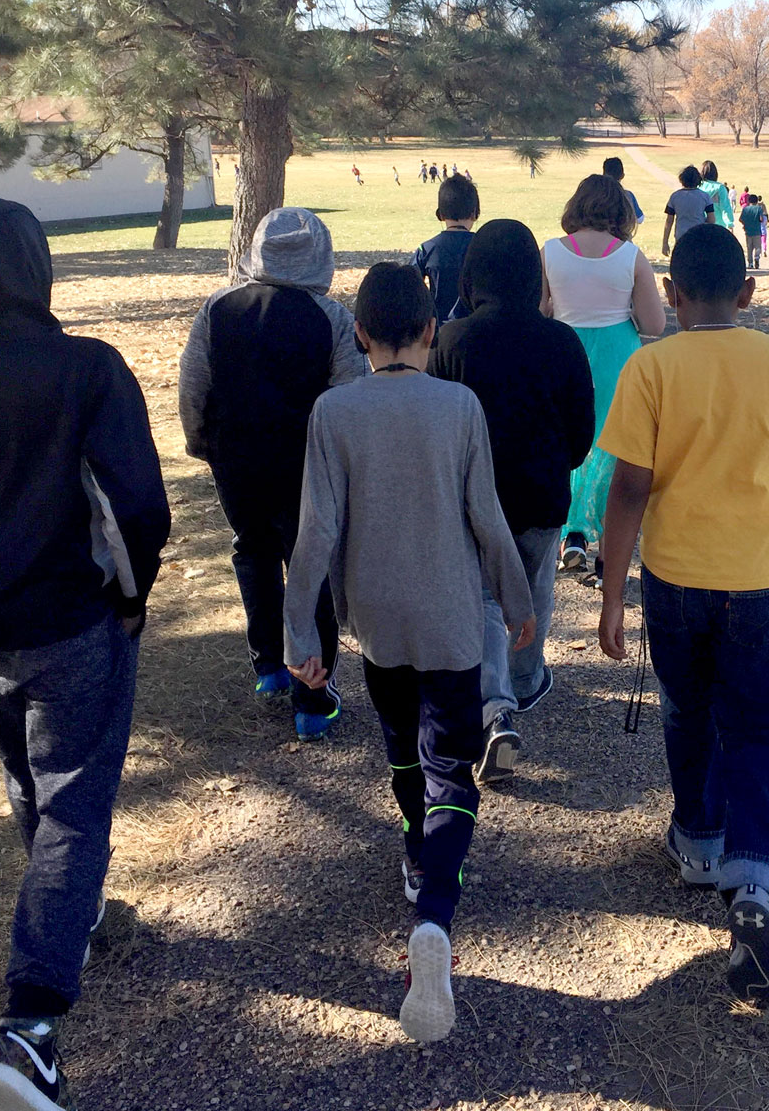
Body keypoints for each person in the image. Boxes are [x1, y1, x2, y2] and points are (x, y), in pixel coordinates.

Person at [283, 263, 534, 1044]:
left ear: (359, 336)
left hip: (378, 621)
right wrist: (519, 603)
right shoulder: (458, 406)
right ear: (430, 330)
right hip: (453, 618)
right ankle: (433, 918)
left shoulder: (333, 411)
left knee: (400, 750)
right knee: (451, 767)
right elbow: (488, 520)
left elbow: (315, 534)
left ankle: (415, 855)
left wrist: (299, 634)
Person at [597, 223, 769, 1003]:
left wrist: (610, 594)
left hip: (676, 580)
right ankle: (759, 883)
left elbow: (629, 488)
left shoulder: (652, 366)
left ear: (669, 295)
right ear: (747, 293)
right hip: (763, 582)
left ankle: (699, 842)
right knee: (759, 724)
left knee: (687, 710)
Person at [0, 198, 171, 1111]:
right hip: (70, 622)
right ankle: (29, 1024)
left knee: (29, 775)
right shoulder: (86, 370)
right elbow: (138, 504)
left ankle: (67, 913)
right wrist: (133, 601)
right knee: (72, 804)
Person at [179, 207, 365, 741]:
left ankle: (268, 666)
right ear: (321, 254)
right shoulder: (329, 317)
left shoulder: (218, 308)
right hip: (303, 468)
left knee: (252, 552)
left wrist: (201, 442)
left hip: (236, 462)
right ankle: (313, 697)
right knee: (313, 572)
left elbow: (194, 384)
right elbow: (347, 397)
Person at [430, 221, 595, 782]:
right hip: (544, 493)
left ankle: (494, 704)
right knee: (535, 587)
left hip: (474, 498)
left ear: (470, 274)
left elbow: (438, 423)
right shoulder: (563, 341)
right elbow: (581, 435)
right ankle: (526, 679)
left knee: (483, 598)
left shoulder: (451, 341)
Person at [540, 174, 666, 577]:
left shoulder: (550, 252)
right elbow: (654, 323)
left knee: (566, 441)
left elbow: (541, 309)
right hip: (618, 356)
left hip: (565, 349)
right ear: (620, 212)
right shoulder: (631, 257)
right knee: (613, 446)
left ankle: (571, 534)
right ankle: (608, 550)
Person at [413, 174, 479, 327]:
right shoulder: (484, 246)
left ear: (440, 214)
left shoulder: (426, 249)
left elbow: (410, 286)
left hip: (438, 333)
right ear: (474, 213)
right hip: (476, 332)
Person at [662, 165, 715, 257]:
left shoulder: (675, 196)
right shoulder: (705, 196)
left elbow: (669, 221)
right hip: (699, 235)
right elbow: (711, 220)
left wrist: (665, 243)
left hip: (681, 236)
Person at [602, 156, 644, 226]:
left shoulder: (596, 195)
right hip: (622, 234)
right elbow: (640, 219)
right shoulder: (628, 195)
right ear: (622, 175)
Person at [699, 161, 734, 229]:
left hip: (701, 226)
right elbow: (725, 208)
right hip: (718, 227)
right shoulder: (720, 188)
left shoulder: (698, 188)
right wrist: (730, 224)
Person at [739, 192, 765, 269]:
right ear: (757, 201)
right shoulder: (759, 208)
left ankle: (750, 263)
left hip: (748, 231)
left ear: (749, 201)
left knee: (749, 248)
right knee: (757, 247)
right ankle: (756, 257)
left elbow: (740, 219)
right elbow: (761, 219)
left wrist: (745, 224)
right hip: (757, 230)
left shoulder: (745, 209)